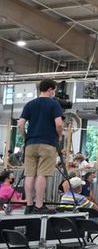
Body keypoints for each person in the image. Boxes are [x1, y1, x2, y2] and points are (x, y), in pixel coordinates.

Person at [17, 79, 64, 214]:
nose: (54, 93)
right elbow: (59, 124)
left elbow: (20, 124)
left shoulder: (30, 104)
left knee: (29, 174)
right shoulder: (54, 104)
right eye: (54, 90)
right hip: (48, 143)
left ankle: (29, 205)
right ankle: (39, 205)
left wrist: (25, 136)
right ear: (50, 90)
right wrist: (59, 136)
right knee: (42, 174)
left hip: (31, 143)